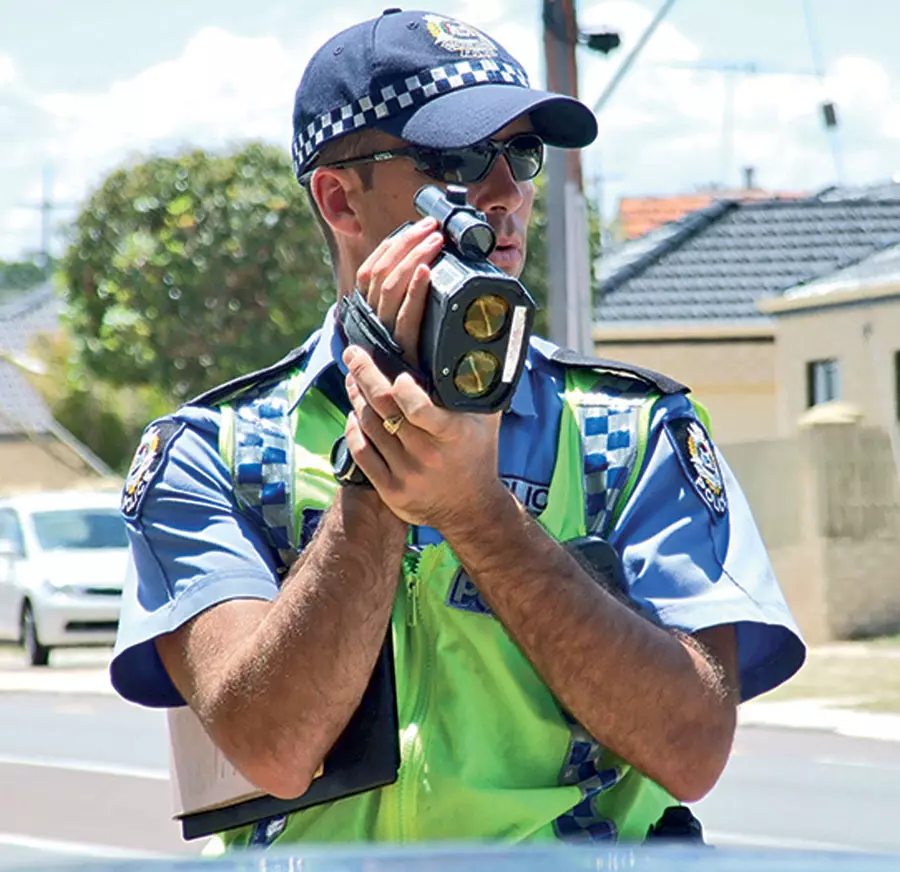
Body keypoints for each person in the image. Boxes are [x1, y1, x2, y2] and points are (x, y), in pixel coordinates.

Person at [111, 8, 805, 850]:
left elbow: (693, 750)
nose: (507, 193)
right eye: (461, 160)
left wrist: (480, 515)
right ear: (340, 198)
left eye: (522, 155)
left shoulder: (633, 429)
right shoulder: (208, 452)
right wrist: (378, 476)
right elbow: (272, 749)